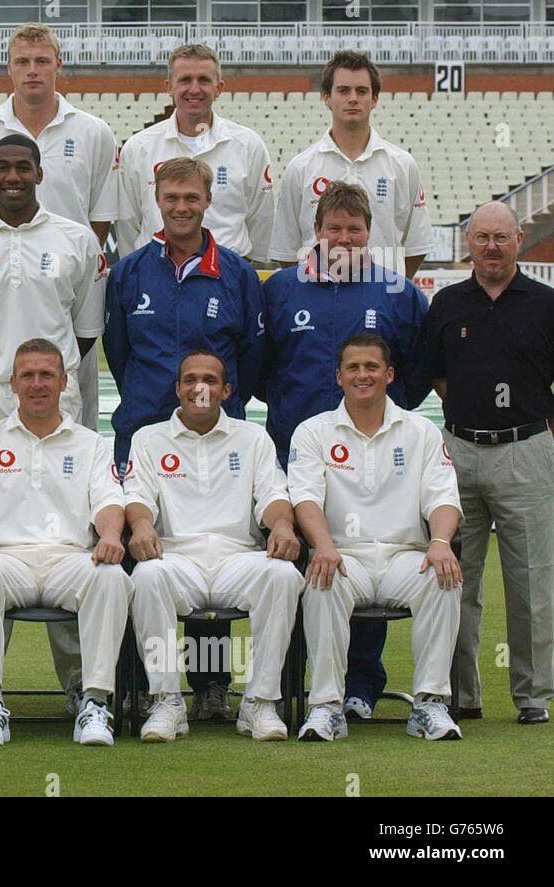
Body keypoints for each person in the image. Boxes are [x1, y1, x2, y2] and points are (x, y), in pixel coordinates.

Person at [258, 180, 430, 721]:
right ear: (316, 232)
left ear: (369, 234)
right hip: (298, 448)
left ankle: (360, 685)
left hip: (370, 454)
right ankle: (294, 681)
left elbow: (418, 370)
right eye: (335, 228)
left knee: (365, 553)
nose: (344, 237)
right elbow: (260, 370)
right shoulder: (283, 289)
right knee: (301, 563)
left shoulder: (398, 292)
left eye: (355, 229)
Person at [104, 156, 264, 719]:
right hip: (144, 432)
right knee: (138, 557)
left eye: (190, 198)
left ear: (206, 200)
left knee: (209, 545)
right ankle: (136, 682)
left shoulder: (238, 274)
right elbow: (118, 354)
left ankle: (212, 685)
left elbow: (250, 355)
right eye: (170, 197)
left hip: (218, 435)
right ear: (156, 198)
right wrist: (151, 405)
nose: (180, 207)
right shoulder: (130, 272)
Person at [0, 338, 131, 747]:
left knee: (111, 578)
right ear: (12, 383)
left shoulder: (90, 444)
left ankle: (95, 702)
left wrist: (111, 535)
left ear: (65, 381)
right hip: (5, 557)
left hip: (70, 558)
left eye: (46, 374)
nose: (37, 384)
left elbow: (108, 501)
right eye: (27, 375)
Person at [291, 332, 464, 742]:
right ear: (338, 376)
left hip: (405, 555)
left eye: (371, 367)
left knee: (444, 577)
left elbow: (443, 497)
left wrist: (440, 543)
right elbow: (305, 498)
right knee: (321, 578)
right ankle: (326, 706)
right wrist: (324, 546)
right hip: (344, 555)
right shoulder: (313, 432)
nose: (362, 375)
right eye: (353, 367)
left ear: (389, 374)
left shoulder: (421, 431)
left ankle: (430, 704)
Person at [126, 351, 304, 742]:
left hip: (237, 557)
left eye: (209, 380)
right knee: (147, 576)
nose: (199, 387)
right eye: (189, 379)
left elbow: (272, 495)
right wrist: (140, 525)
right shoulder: (148, 439)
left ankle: (260, 703)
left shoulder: (252, 437)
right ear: (177, 389)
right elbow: (137, 496)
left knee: (283, 576)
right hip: (175, 558)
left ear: (226, 390)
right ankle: (166, 701)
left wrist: (283, 526)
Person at [0, 22, 117, 434]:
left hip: (65, 292)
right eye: (22, 62)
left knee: (74, 443)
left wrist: (60, 262)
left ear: (58, 65)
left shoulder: (94, 132)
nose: (32, 71)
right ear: (8, 68)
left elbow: (99, 218)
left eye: (42, 61)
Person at [428, 201, 554, 725]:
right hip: (459, 452)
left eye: (501, 237)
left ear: (519, 238)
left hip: (526, 450)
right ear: (468, 241)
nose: (492, 247)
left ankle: (533, 696)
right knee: (457, 579)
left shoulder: (547, 303)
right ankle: (463, 693)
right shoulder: (448, 304)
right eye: (482, 238)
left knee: (531, 581)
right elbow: (437, 376)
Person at [0, 133, 105, 437]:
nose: (12, 177)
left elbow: (86, 330)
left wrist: (46, 375)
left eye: (23, 167)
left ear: (39, 174)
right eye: (2, 167)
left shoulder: (78, 239)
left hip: (55, 394)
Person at [269, 51, 432, 277]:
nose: (353, 98)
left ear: (374, 99)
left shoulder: (402, 165)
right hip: (318, 300)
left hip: (380, 302)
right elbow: (286, 250)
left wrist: (387, 290)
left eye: (362, 91)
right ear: (326, 97)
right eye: (343, 90)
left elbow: (416, 246)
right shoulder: (300, 168)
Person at [116, 43, 274, 263]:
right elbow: (128, 222)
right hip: (157, 270)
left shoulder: (248, 145)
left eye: (204, 80)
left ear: (219, 88)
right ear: (169, 86)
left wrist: (243, 270)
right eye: (185, 80)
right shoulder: (138, 147)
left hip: (227, 274)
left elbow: (261, 219)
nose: (194, 89)